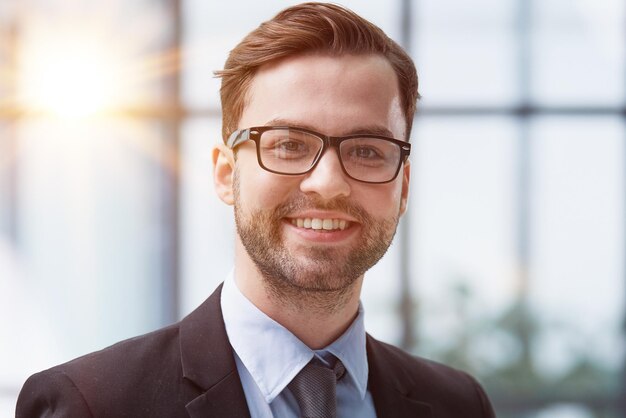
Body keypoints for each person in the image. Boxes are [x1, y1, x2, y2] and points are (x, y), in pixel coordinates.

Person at [16, 3, 495, 417]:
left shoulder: (459, 406)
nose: (328, 183)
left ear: (403, 185)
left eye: (367, 150)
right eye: (288, 144)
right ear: (226, 174)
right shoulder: (91, 406)